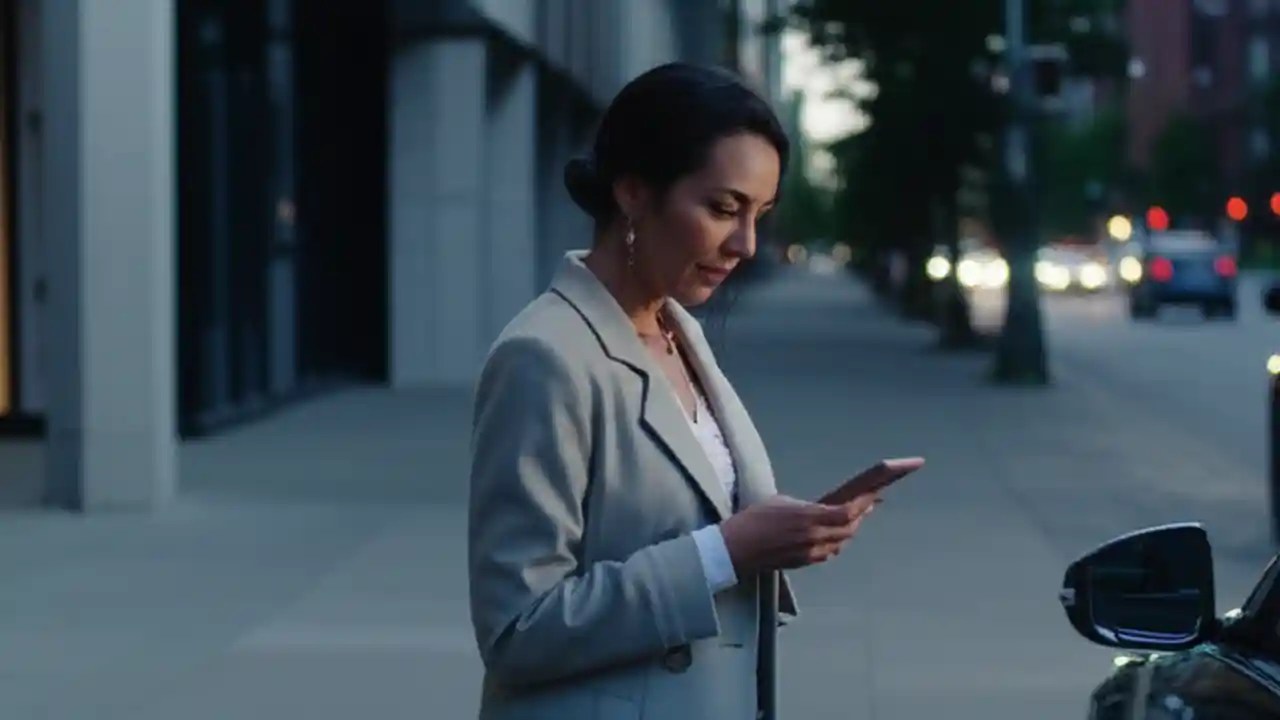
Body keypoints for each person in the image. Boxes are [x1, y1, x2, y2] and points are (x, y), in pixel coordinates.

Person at [467, 62, 881, 720]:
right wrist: (726, 551)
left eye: (760, 215)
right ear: (633, 191)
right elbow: (518, 628)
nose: (745, 244)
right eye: (723, 208)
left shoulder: (676, 330)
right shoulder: (544, 356)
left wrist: (788, 536)